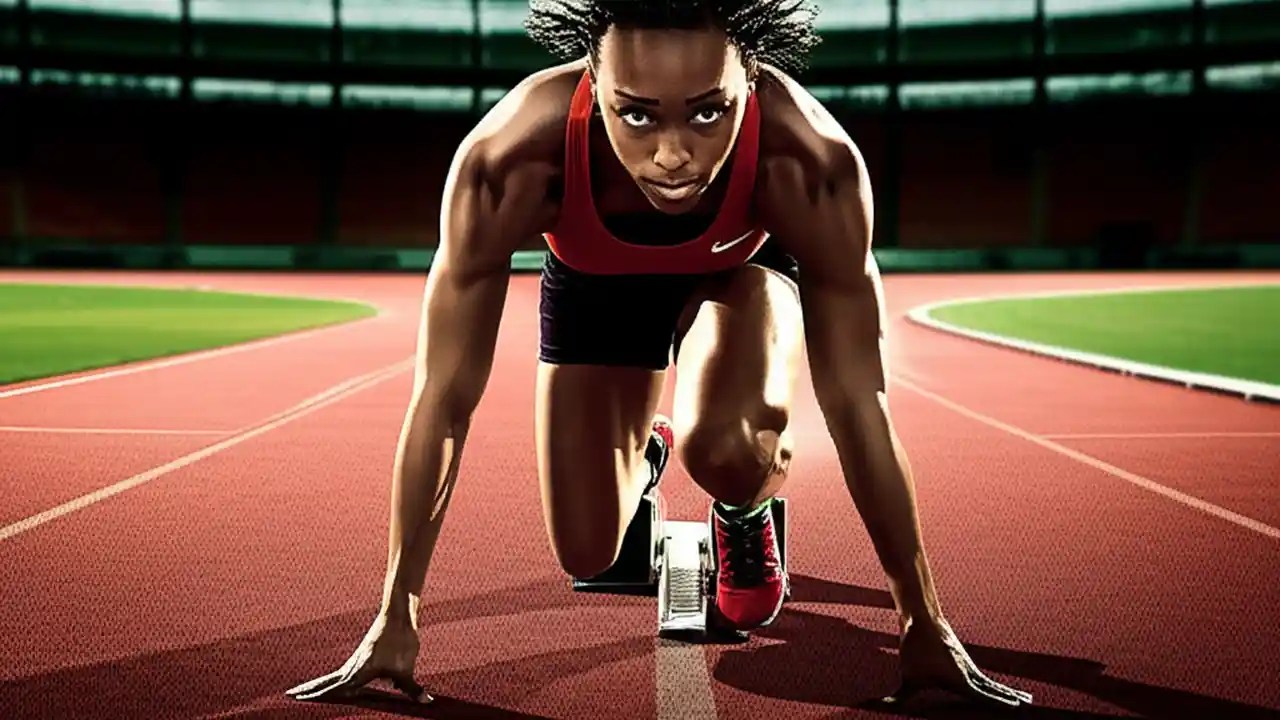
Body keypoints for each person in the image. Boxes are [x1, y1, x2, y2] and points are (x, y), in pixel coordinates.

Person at [287, 0, 1032, 711]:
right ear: (592, 79)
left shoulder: (811, 166)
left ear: (752, 81)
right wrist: (396, 610)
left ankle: (742, 505)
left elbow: (856, 400)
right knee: (587, 553)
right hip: (596, 285)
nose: (673, 157)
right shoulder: (507, 164)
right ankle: (644, 458)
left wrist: (921, 617)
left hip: (741, 271)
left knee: (727, 448)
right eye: (636, 115)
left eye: (710, 112)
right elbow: (444, 397)